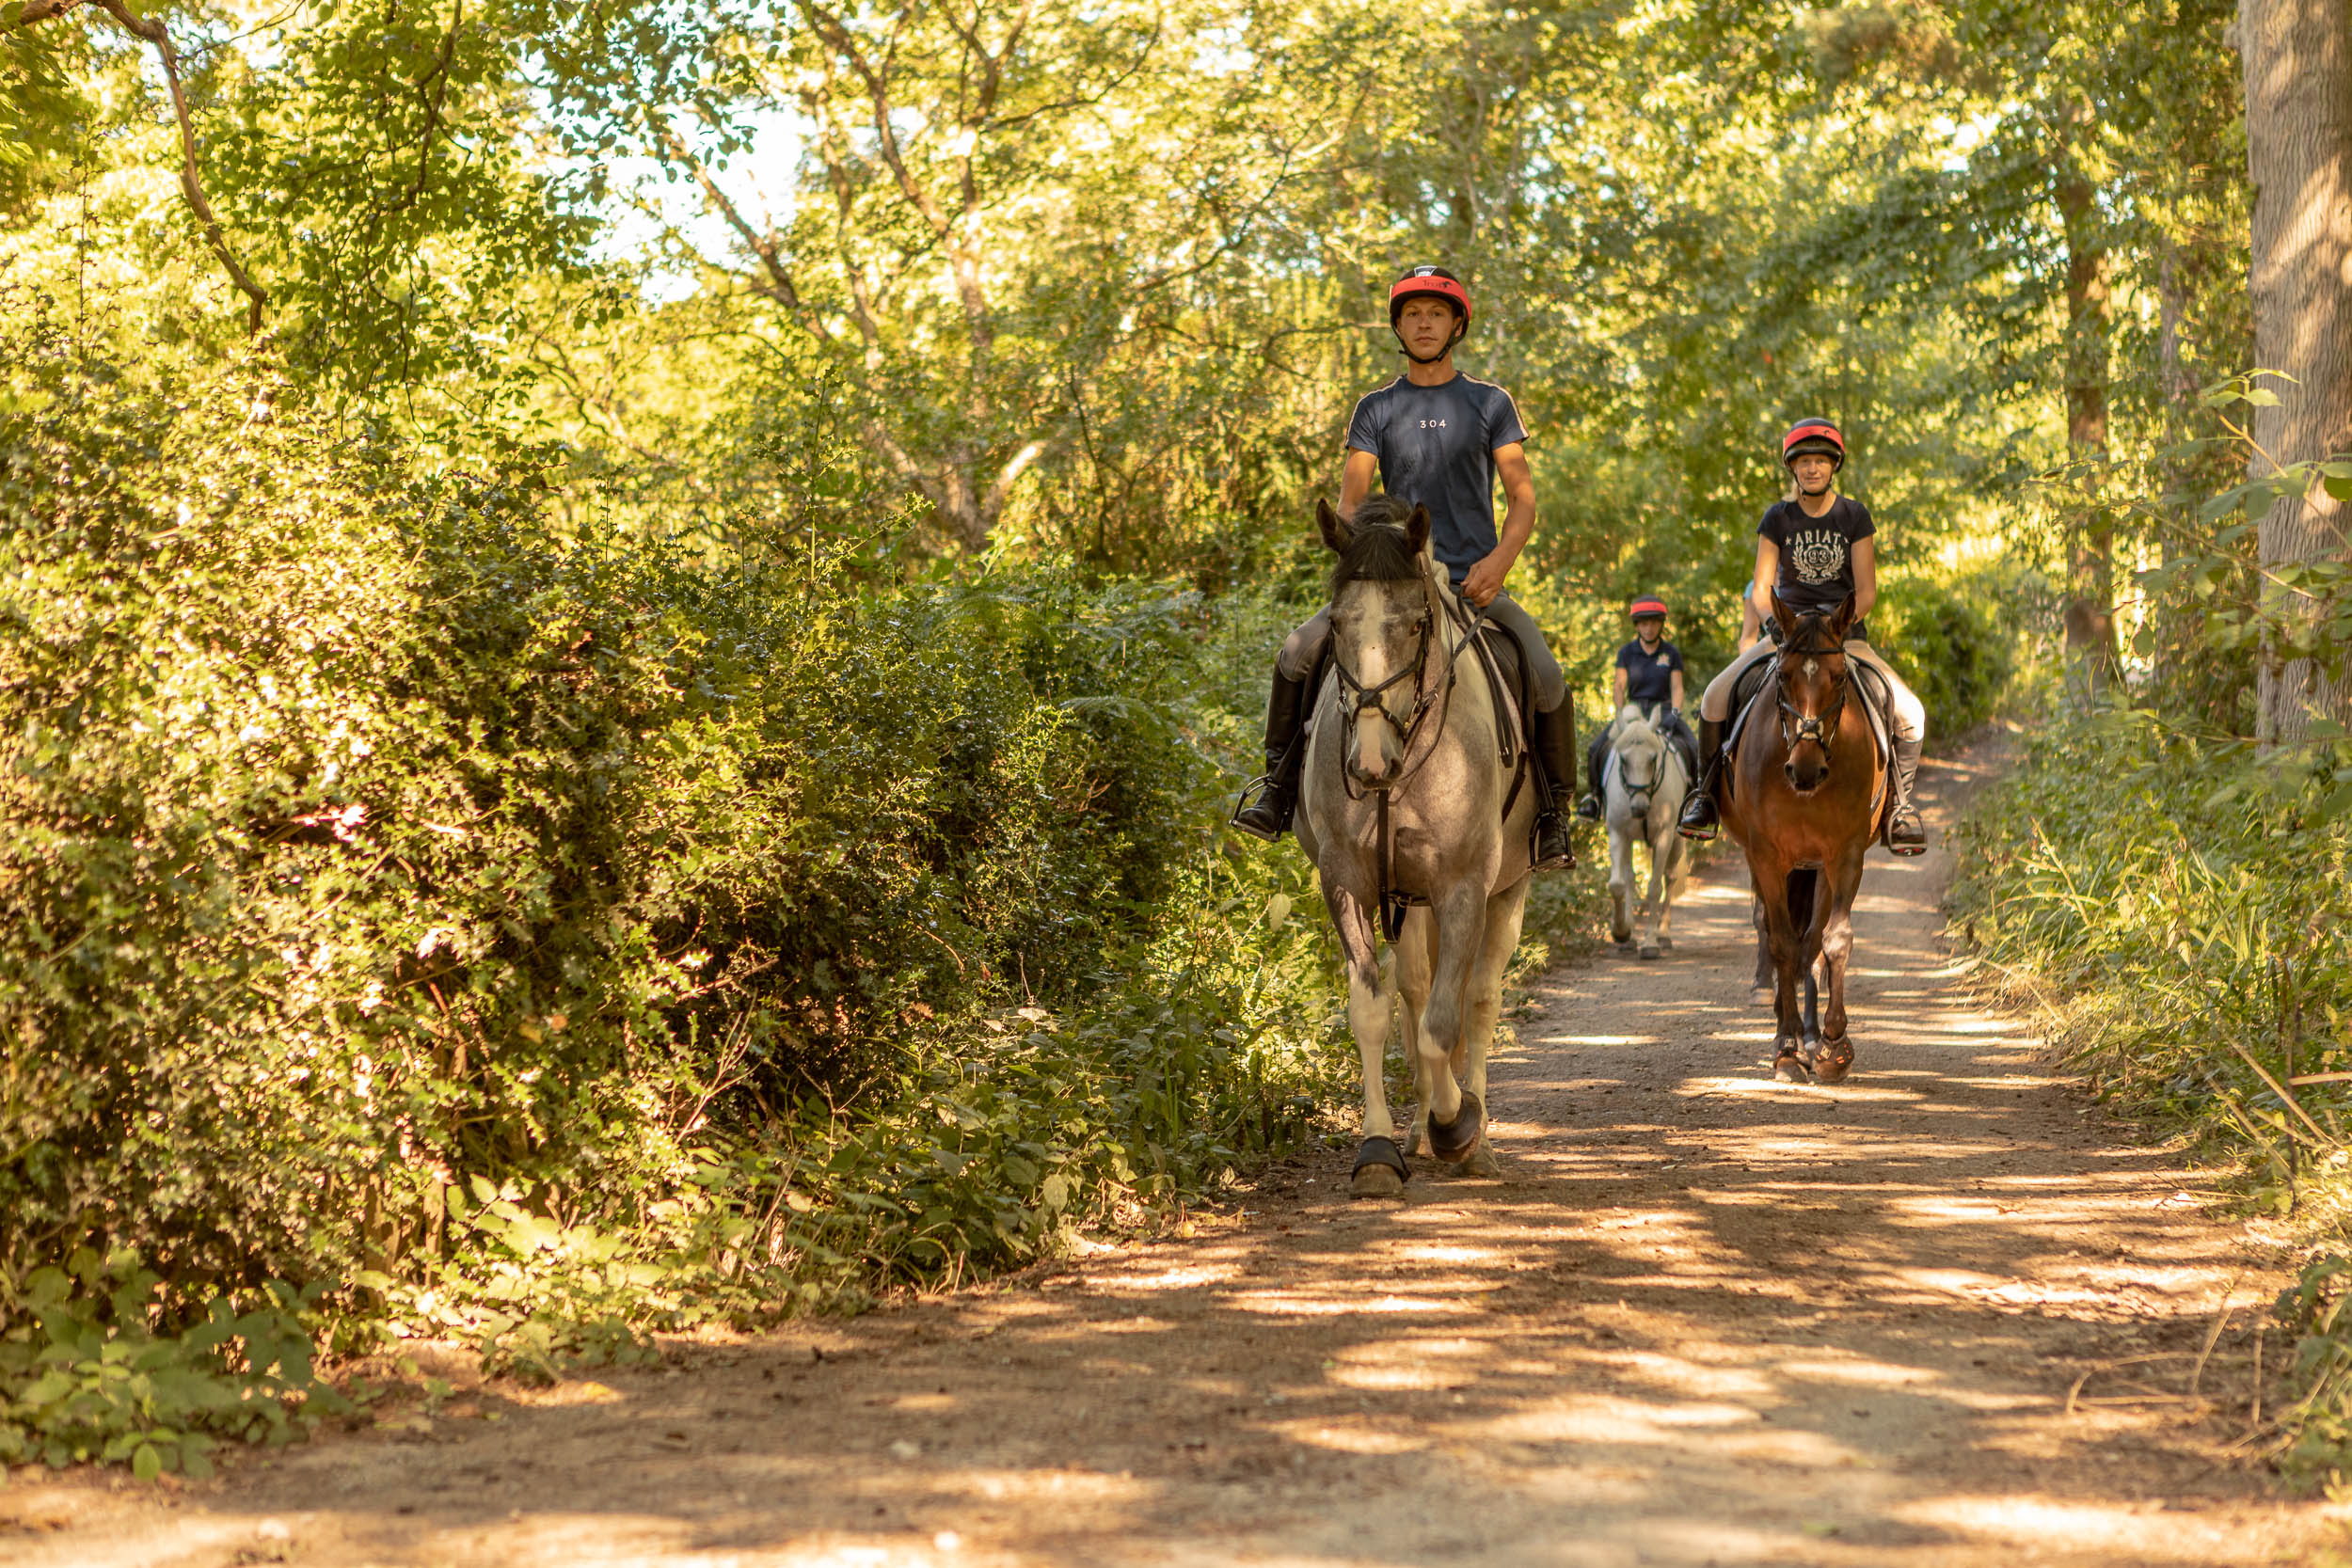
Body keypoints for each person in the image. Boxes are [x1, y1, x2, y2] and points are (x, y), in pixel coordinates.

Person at [1232, 264, 1577, 868]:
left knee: (1545, 674)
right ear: (1398, 325)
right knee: (1296, 653)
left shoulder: (1490, 403)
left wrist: (1498, 563)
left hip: (1472, 583)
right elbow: (1350, 505)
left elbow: (1523, 499)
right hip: (1390, 584)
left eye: (1436, 313)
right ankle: (1278, 791)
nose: (1424, 323)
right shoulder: (1377, 408)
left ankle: (1553, 817)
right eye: (1412, 313)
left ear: (1457, 325)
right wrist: (1376, 553)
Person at [1675, 418, 1927, 854]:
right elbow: (1761, 587)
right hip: (1786, 635)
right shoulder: (1778, 517)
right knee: (1715, 697)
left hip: (1841, 638)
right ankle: (1706, 799)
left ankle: (1900, 807)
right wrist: (1777, 623)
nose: (1813, 469)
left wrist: (1837, 624)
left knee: (1911, 713)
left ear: (1834, 467)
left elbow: (1865, 591)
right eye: (1804, 462)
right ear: (1793, 468)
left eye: (1821, 461)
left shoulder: (1854, 515)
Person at [1576, 596, 1697, 819]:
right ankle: (1594, 799)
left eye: (1653, 623)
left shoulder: (1671, 653)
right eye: (1643, 623)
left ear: (1661, 624)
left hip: (1663, 711)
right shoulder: (1626, 653)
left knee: (1693, 746)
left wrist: (1675, 713)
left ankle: (1695, 802)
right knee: (1595, 748)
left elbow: (1677, 687)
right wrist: (1620, 713)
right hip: (1634, 713)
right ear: (1637, 626)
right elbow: (1619, 686)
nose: (1649, 628)